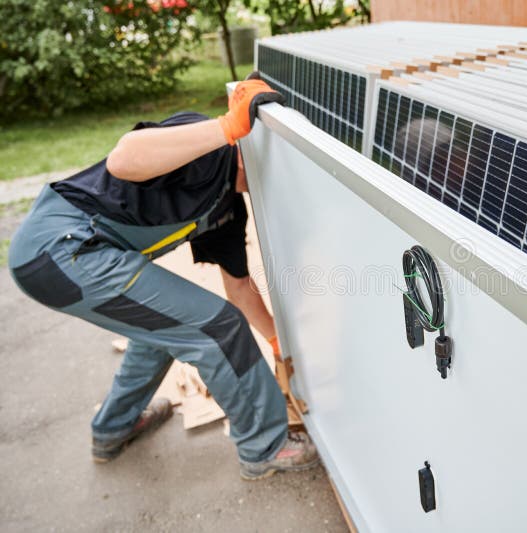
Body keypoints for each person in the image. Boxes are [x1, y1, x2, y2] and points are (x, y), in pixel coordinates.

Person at [8, 73, 318, 480]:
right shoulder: (206, 146)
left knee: (163, 333)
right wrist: (226, 126)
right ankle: (264, 446)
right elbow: (123, 159)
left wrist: (279, 341)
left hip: (79, 253)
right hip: (59, 248)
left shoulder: (228, 206)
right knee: (217, 329)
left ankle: (113, 428)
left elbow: (239, 286)